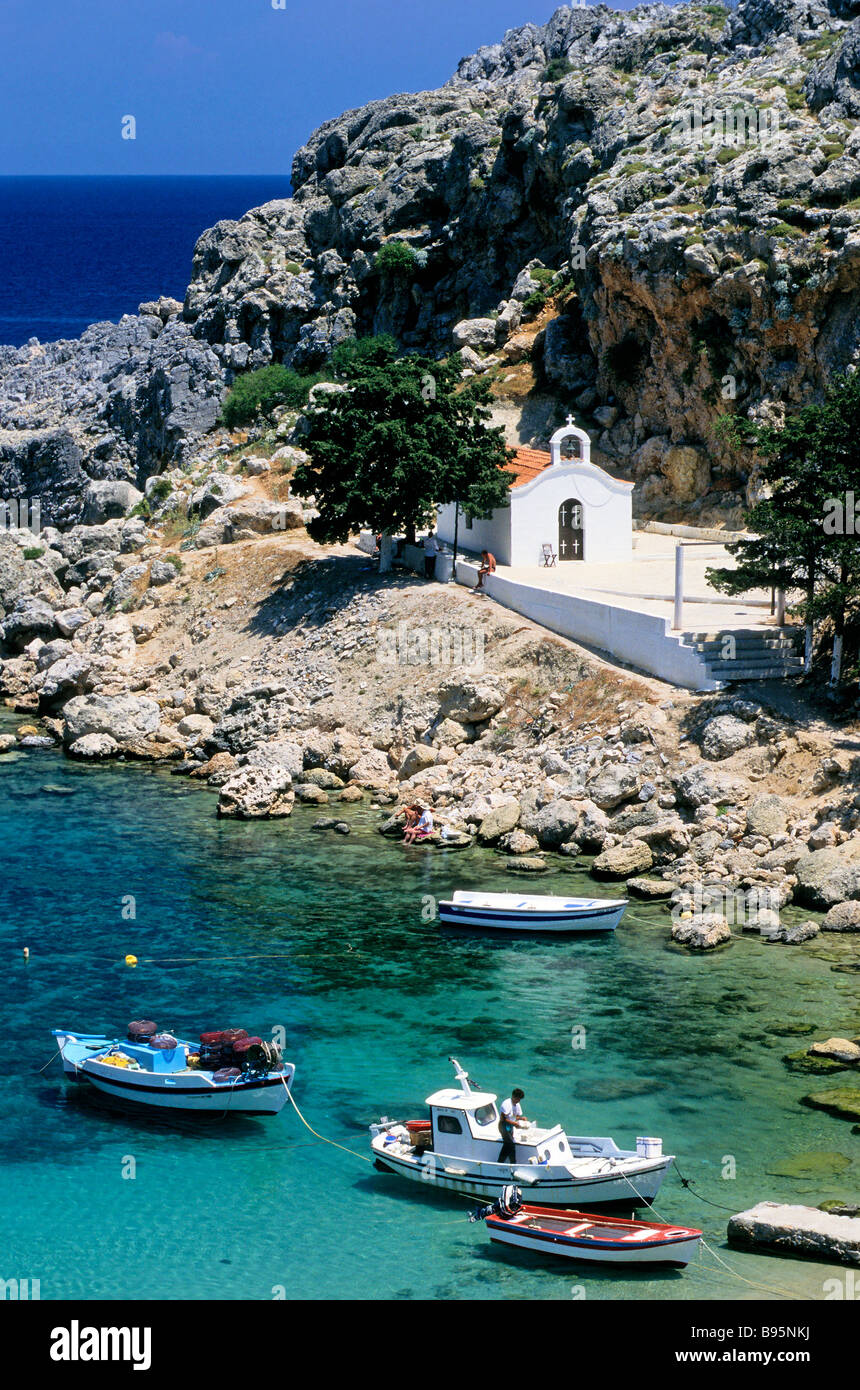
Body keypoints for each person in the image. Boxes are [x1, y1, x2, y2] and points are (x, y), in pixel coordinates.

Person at [498, 1088, 527, 1164]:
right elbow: (502, 1119)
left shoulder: (517, 1105)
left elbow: (514, 1117)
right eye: (517, 1099)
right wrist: (514, 1124)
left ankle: (509, 1163)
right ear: (513, 1096)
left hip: (510, 1126)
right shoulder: (506, 1104)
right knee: (510, 1144)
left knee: (509, 1144)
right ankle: (503, 1162)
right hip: (503, 1126)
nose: (518, 1101)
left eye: (519, 1099)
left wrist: (521, 1118)